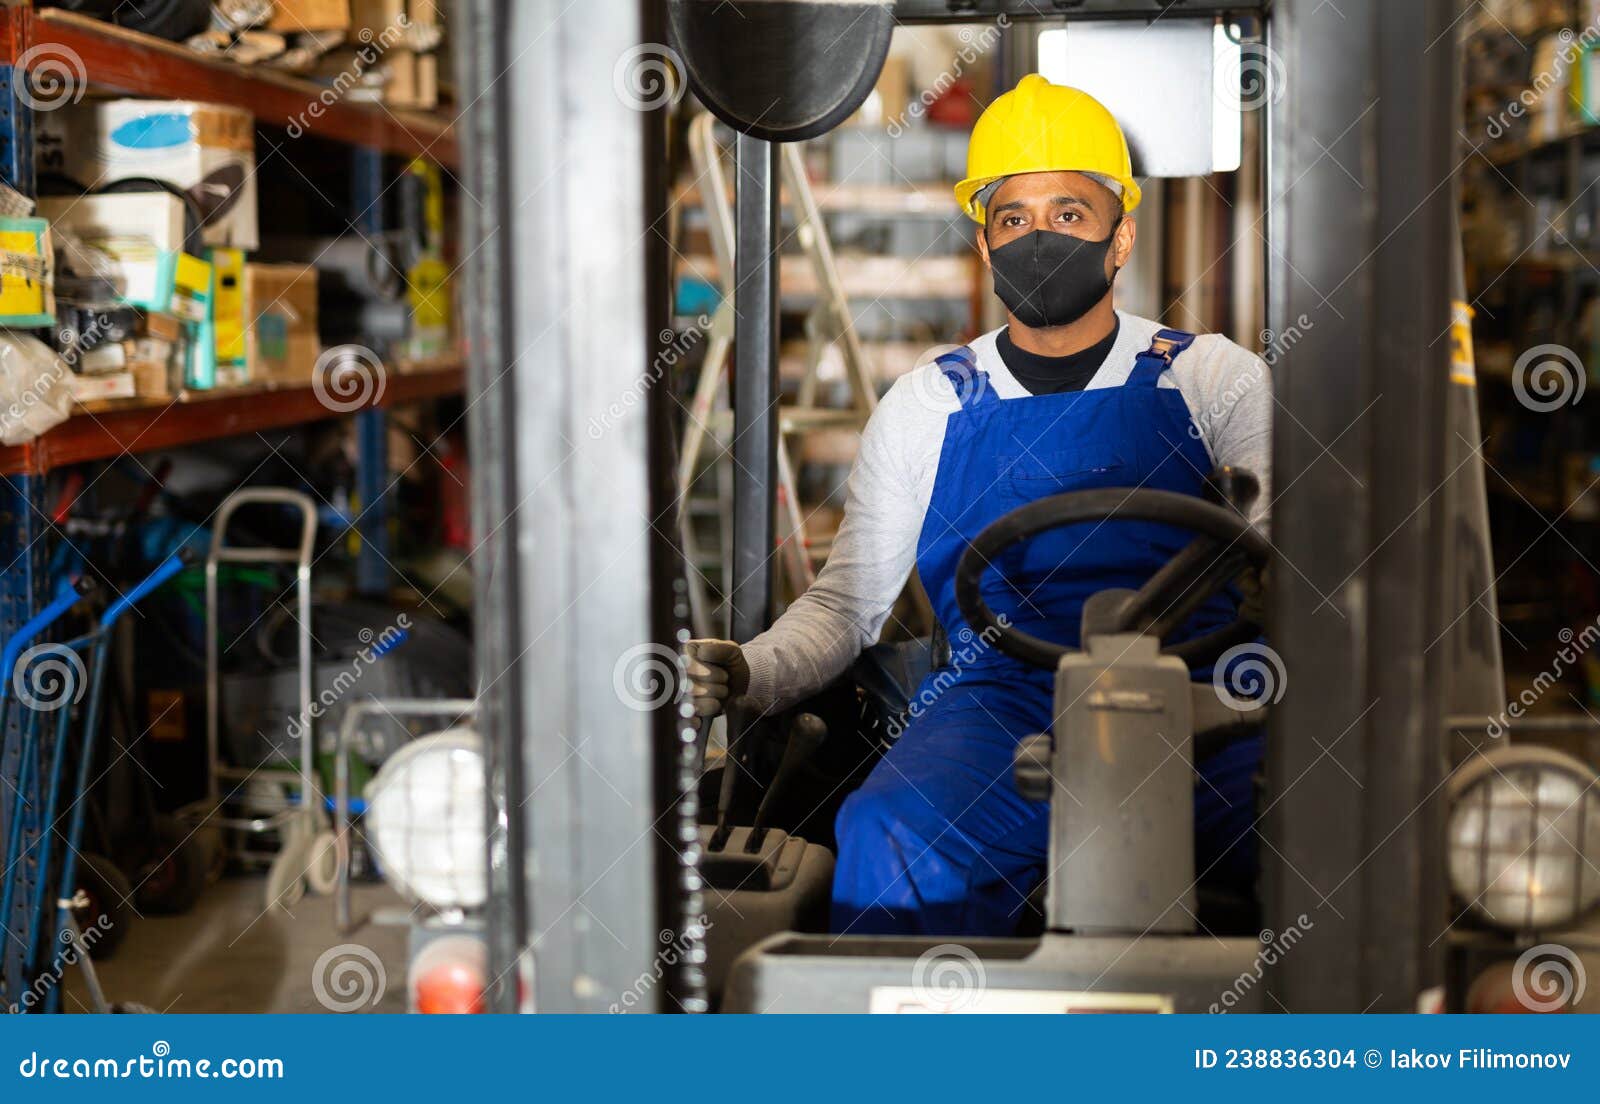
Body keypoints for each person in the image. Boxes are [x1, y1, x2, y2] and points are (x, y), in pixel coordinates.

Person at [687, 75, 1272, 937]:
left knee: (1338, 830)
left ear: (1121, 236)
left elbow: (1300, 556)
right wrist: (749, 669)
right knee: (890, 834)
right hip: (1003, 698)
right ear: (986, 244)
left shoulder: (1213, 378)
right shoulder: (930, 405)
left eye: (1070, 214)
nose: (1040, 236)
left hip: (1203, 694)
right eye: (1013, 218)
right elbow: (848, 606)